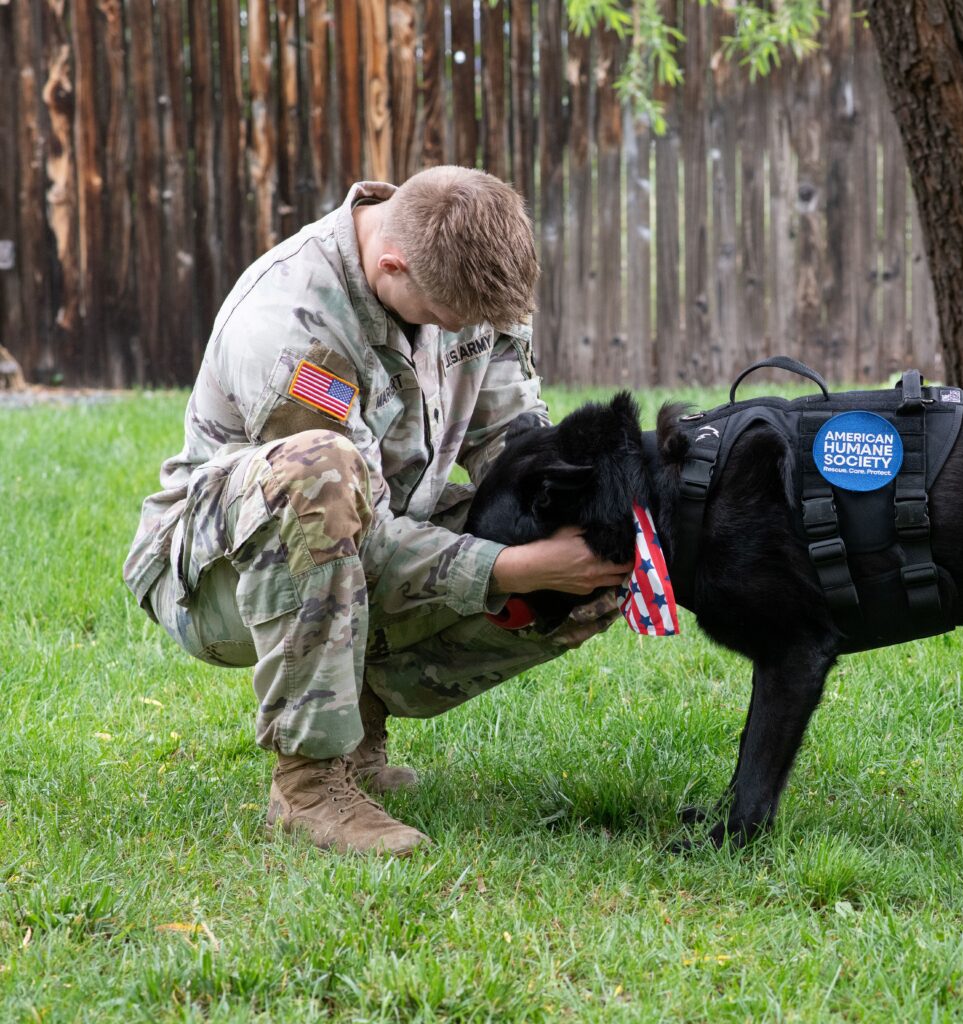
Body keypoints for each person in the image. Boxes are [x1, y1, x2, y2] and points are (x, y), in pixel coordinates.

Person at [123, 166, 634, 857]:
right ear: (392, 266)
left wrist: (582, 523)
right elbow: (350, 532)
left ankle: (356, 724)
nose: (465, 333)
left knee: (596, 571)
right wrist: (510, 566)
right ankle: (307, 787)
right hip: (217, 580)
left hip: (370, 532)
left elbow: (512, 445)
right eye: (446, 320)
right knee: (321, 474)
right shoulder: (291, 326)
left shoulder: (468, 267)